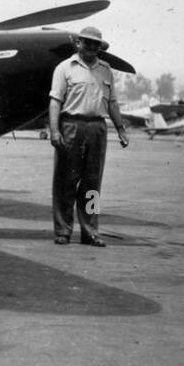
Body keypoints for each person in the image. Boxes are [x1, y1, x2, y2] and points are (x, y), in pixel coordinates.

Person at [48, 26, 130, 247]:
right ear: (78, 44)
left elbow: (112, 102)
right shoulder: (65, 68)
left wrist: (121, 128)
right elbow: (55, 101)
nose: (91, 47)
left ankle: (90, 231)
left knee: (92, 185)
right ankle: (63, 230)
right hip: (71, 126)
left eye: (96, 44)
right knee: (65, 181)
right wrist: (54, 130)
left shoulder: (106, 70)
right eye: (87, 42)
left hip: (97, 128)